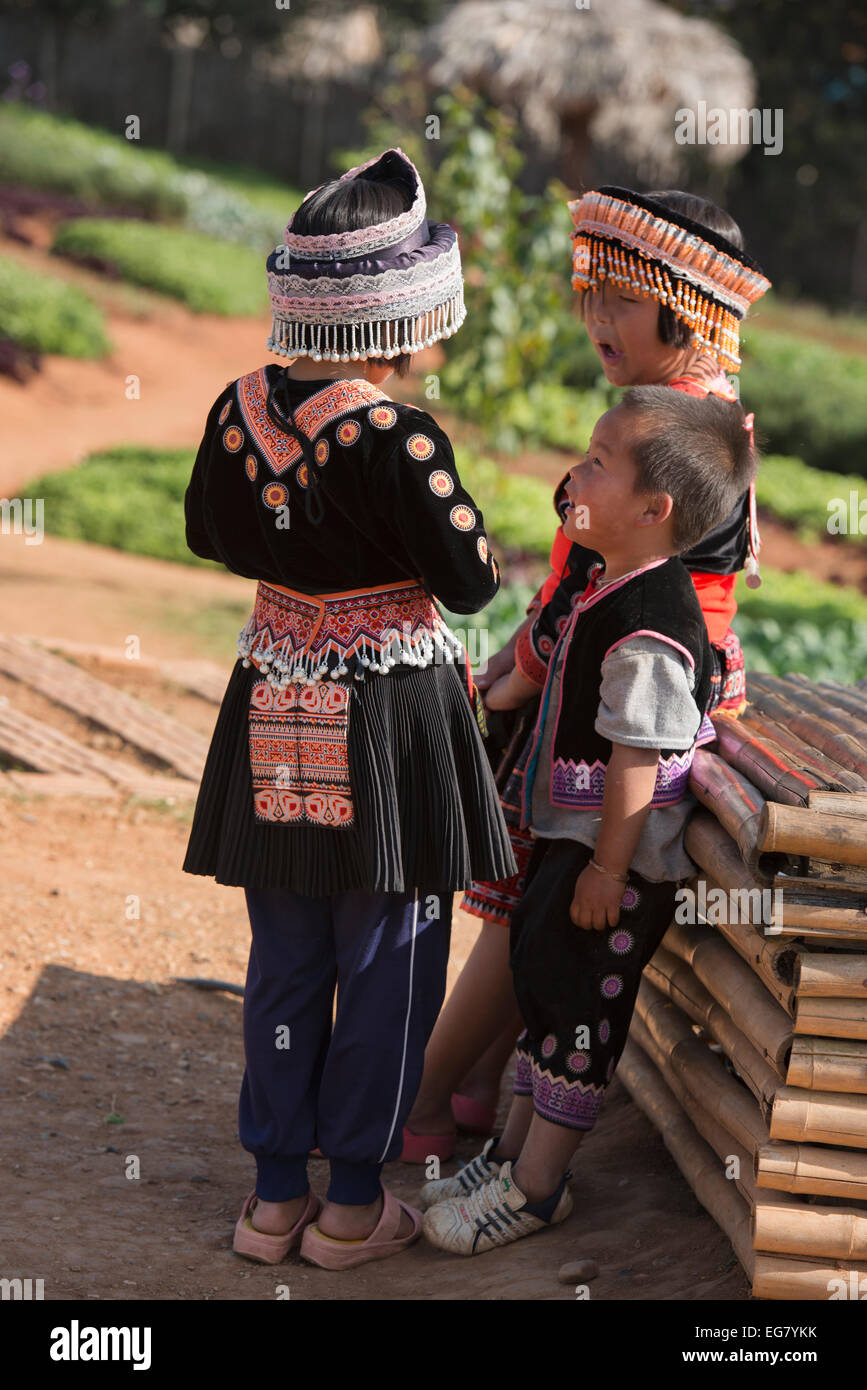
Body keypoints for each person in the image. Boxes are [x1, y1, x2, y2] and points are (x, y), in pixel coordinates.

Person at [181, 148, 516, 1269]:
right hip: (389, 716)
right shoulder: (397, 438)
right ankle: (352, 1206)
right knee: (388, 948)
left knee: (285, 951)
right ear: (398, 316)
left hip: (276, 684)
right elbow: (470, 580)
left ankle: (272, 1198)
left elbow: (208, 536)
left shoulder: (234, 411)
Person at [402, 186, 771, 1161]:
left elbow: (603, 590)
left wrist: (514, 675)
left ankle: (425, 1099)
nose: (597, 319)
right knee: (526, 911)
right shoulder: (702, 414)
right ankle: (471, 1093)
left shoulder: (678, 432)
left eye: (621, 298)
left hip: (606, 704)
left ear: (683, 307)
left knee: (524, 912)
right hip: (619, 688)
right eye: (592, 295)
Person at [420, 383, 757, 1253]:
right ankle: (508, 1157)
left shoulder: (649, 624)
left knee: (578, 1022)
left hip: (613, 866)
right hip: (576, 851)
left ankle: (534, 1190)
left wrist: (608, 870)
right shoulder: (613, 587)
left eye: (599, 463)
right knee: (545, 997)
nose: (577, 472)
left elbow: (635, 762)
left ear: (654, 509)